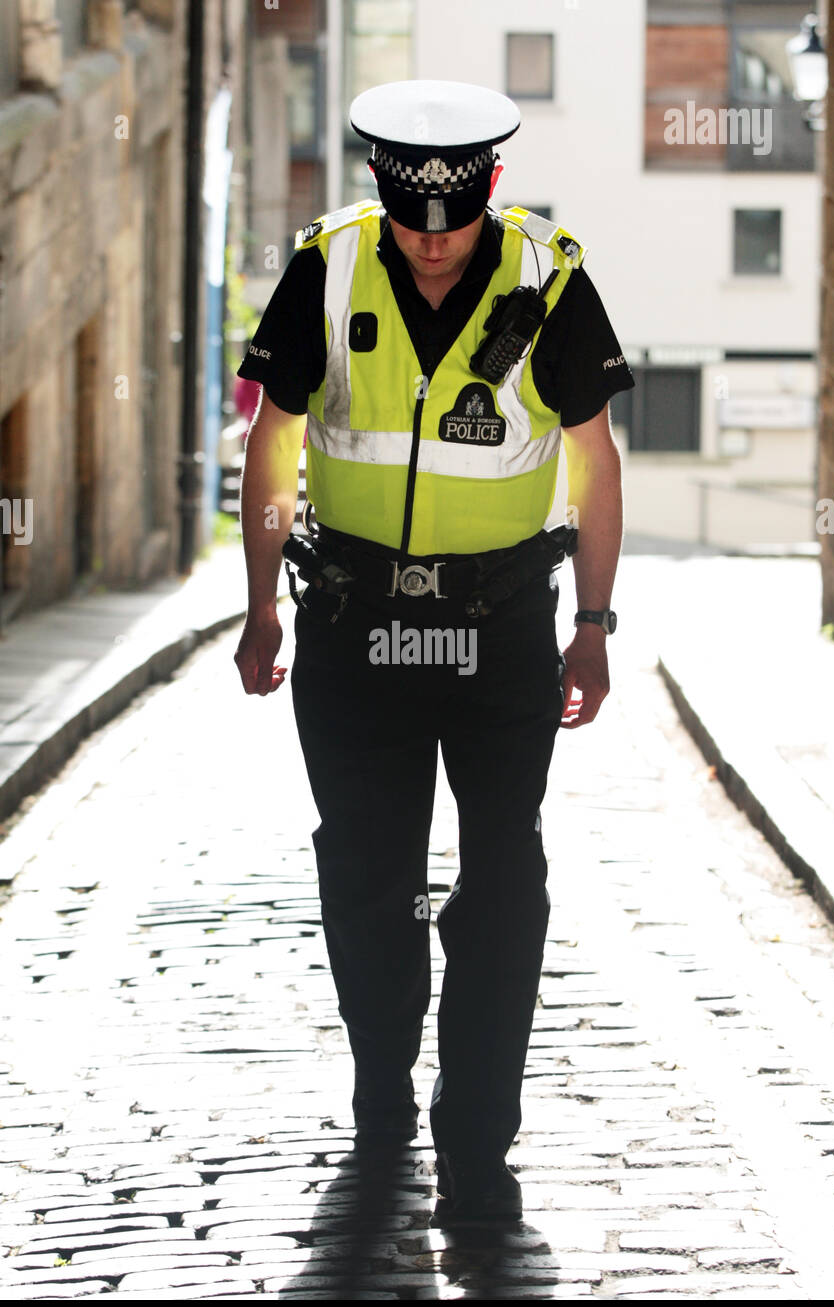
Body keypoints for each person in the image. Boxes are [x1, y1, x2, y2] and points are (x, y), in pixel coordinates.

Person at [233, 80, 634, 1228]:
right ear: (382, 193)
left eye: (452, 219)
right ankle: (380, 1085)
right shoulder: (329, 265)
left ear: (488, 192)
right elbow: (276, 439)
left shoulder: (547, 277)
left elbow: (594, 460)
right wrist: (261, 605)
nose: (431, 241)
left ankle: (477, 1131)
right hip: (354, 627)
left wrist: (592, 626)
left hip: (499, 628)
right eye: (412, 218)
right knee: (368, 877)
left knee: (502, 877)